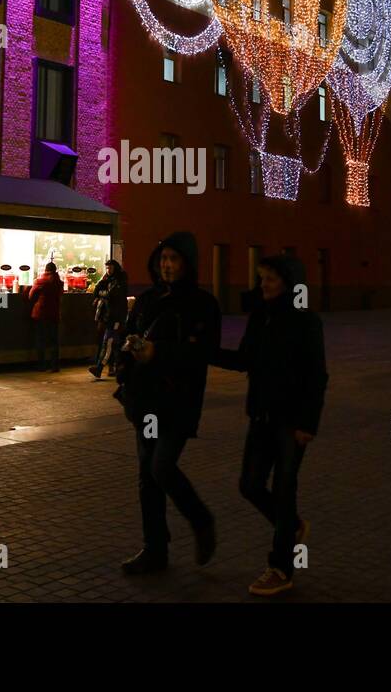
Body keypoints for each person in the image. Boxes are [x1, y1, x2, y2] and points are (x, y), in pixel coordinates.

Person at [215, 254, 327, 596]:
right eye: (261, 278)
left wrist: (308, 423)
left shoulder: (306, 322)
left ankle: (281, 568)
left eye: (270, 279)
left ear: (288, 284)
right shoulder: (260, 318)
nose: (263, 284)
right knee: (249, 485)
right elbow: (243, 360)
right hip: (261, 416)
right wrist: (204, 352)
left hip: (290, 422)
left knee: (284, 489)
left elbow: (317, 376)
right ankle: (291, 526)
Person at [115, 232, 221, 574]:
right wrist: (125, 361)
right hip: (144, 400)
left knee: (162, 466)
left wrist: (158, 352)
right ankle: (155, 548)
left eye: (174, 259)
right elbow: (129, 334)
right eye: (163, 259)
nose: (167, 265)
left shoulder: (202, 304)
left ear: (187, 263)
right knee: (147, 475)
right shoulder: (147, 300)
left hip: (177, 401)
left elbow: (202, 352)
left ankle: (200, 519)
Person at [89, 259, 127, 380]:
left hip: (115, 317)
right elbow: (97, 290)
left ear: (115, 268)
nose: (108, 270)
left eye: (110, 268)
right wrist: (102, 291)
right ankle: (118, 368)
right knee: (114, 344)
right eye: (106, 268)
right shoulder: (107, 280)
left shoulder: (119, 281)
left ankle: (100, 368)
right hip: (109, 317)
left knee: (108, 343)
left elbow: (111, 295)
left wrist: (101, 294)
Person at [27, 262, 63, 372]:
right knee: (54, 340)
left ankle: (41, 365)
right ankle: (54, 365)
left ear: (46, 270)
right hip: (54, 313)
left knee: (40, 339)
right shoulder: (59, 282)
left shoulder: (40, 281)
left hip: (41, 313)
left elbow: (31, 296)